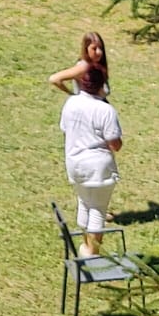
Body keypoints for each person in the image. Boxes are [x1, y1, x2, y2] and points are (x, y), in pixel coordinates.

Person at [59, 67, 123, 254]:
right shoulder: (105, 110)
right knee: (98, 209)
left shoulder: (71, 102)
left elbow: (65, 128)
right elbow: (115, 143)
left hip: (75, 163)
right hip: (98, 166)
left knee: (84, 202)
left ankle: (85, 245)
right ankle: (92, 253)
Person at [49, 32, 111, 97]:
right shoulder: (83, 67)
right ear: (86, 49)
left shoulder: (97, 65)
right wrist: (72, 95)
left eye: (100, 48)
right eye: (94, 48)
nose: (99, 52)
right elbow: (54, 79)